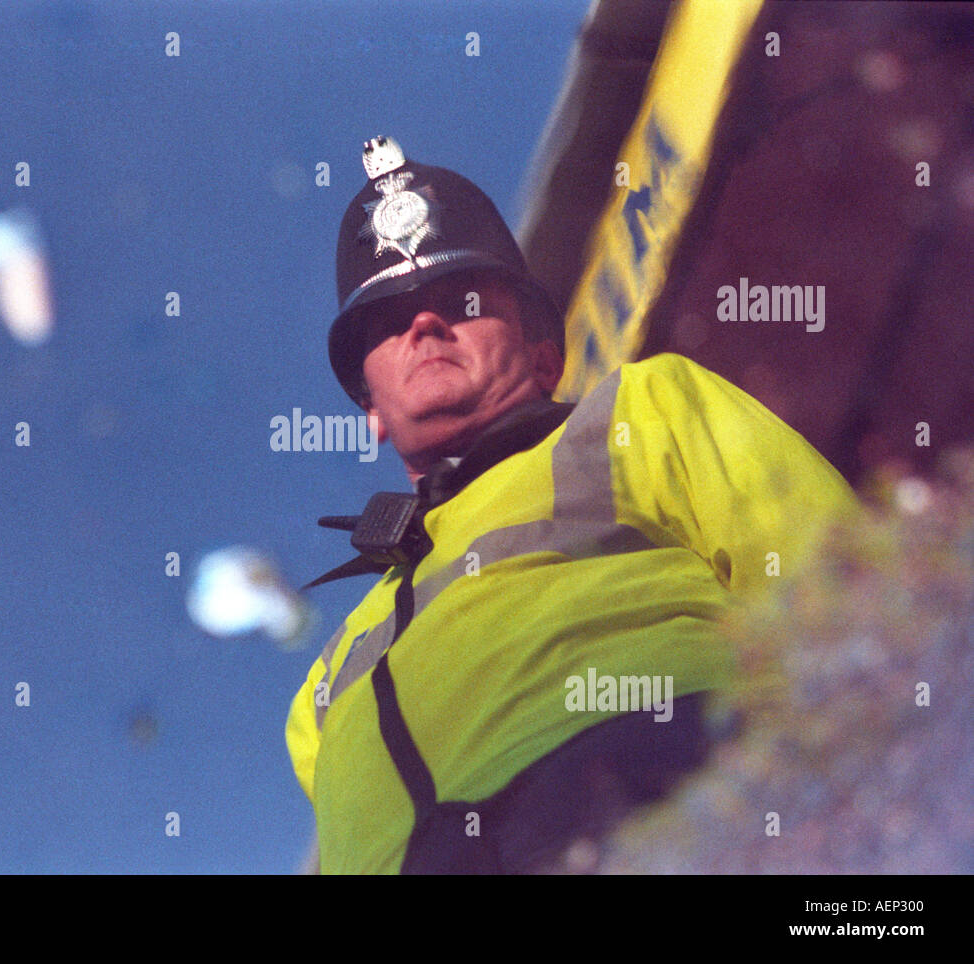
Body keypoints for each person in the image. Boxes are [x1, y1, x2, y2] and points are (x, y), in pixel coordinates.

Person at [285, 136, 858, 874]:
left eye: (459, 301)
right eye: (390, 321)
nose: (424, 325)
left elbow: (848, 591)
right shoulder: (321, 689)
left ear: (542, 354)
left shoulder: (642, 412)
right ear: (370, 409)